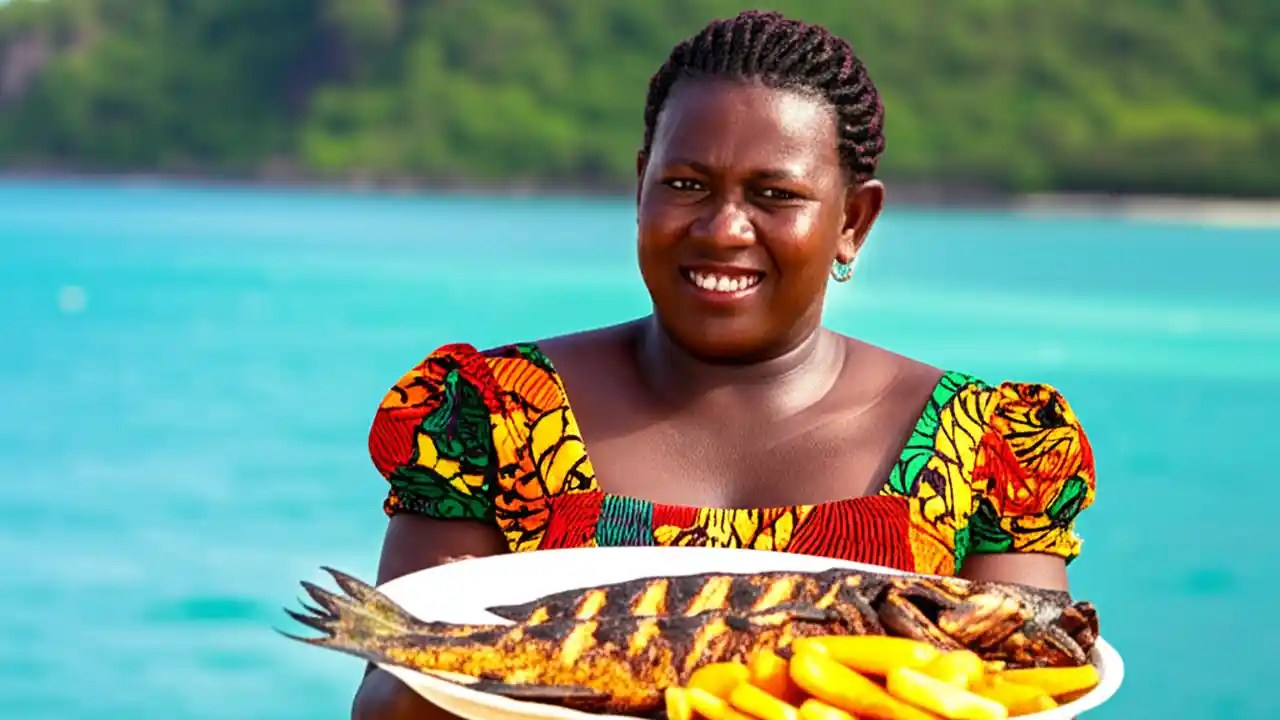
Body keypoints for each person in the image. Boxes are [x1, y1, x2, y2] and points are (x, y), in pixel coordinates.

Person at [350, 9, 1097, 719]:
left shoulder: (988, 444)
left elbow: (1037, 689)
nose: (722, 228)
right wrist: (473, 670)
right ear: (640, 186)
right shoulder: (494, 414)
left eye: (775, 195)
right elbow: (387, 701)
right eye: (685, 186)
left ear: (853, 221)